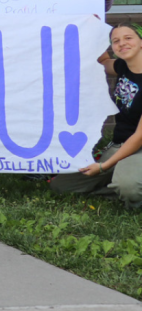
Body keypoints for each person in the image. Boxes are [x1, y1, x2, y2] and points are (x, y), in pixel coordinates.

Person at [51, 23, 142, 209]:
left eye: (128, 38)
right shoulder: (123, 66)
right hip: (120, 144)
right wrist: (91, 25)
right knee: (61, 186)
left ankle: (127, 186)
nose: (121, 43)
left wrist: (103, 166)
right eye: (115, 41)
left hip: (138, 146)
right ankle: (122, 180)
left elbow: (139, 136)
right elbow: (103, 63)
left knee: (128, 189)